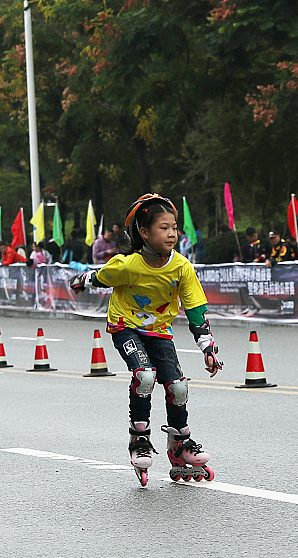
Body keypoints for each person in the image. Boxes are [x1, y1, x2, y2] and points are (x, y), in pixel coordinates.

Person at [68, 194, 222, 486]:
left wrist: (208, 348)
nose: (172, 234)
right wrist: (81, 281)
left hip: (159, 331)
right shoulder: (127, 265)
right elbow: (100, 276)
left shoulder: (182, 268)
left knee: (178, 386)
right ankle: (139, 438)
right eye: (164, 228)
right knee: (145, 375)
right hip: (125, 326)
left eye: (174, 227)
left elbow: (196, 311)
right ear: (144, 232)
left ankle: (179, 444)